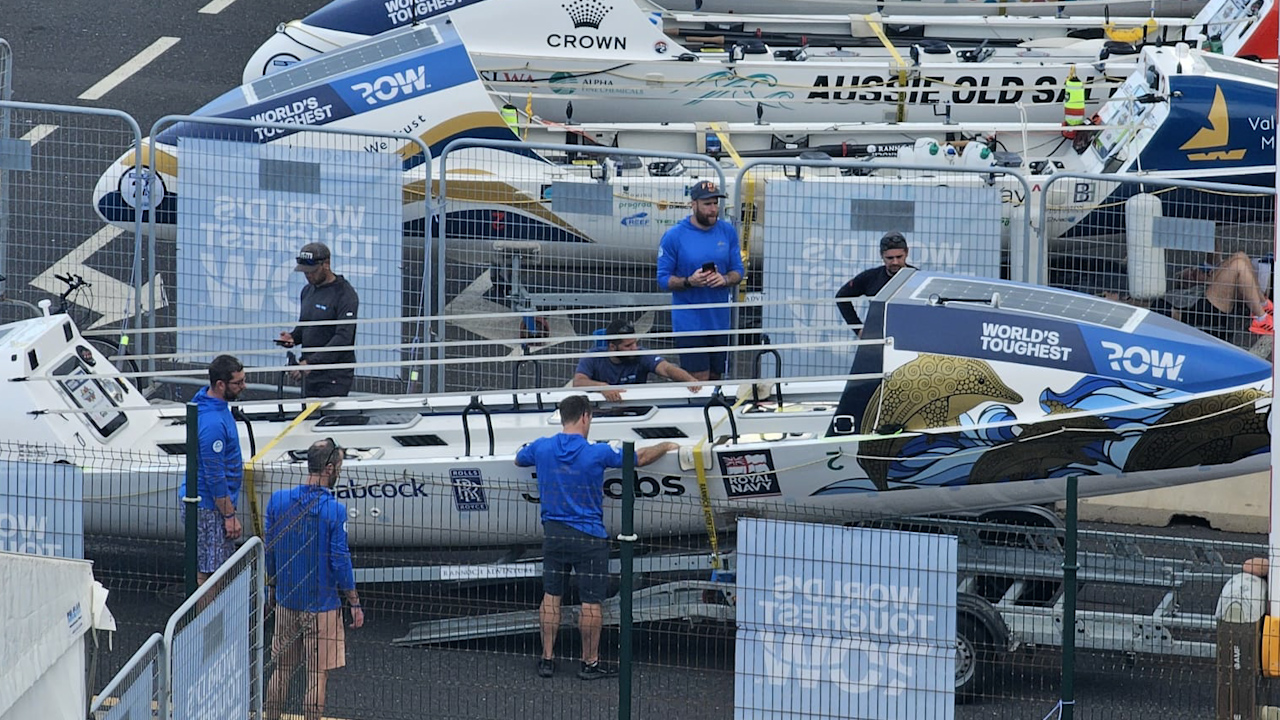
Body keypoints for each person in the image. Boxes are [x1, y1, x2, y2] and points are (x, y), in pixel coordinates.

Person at [514, 395, 678, 680]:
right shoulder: (598, 452)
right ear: (586, 417)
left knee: (551, 595)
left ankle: (547, 659)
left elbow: (519, 458)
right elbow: (638, 458)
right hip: (589, 537)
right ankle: (589, 663)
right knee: (590, 602)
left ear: (562, 417)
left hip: (554, 533)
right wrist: (667, 445)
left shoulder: (542, 447)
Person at [265, 438, 364, 720]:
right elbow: (339, 559)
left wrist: (272, 588)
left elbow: (270, 549)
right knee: (316, 675)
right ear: (330, 468)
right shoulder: (334, 510)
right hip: (322, 605)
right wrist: (353, 601)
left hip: (287, 600)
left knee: (281, 670)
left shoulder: (279, 501)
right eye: (340, 467)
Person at [656, 180, 745, 382]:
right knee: (699, 380)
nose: (713, 209)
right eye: (707, 204)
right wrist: (689, 281)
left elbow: (738, 271)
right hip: (690, 324)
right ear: (693, 204)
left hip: (720, 322)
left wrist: (724, 279)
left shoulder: (727, 231)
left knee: (716, 378)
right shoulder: (674, 236)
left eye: (715, 203)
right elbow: (662, 279)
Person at [278, 242, 360, 397]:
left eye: (312, 271)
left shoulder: (345, 294)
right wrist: (293, 337)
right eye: (305, 272)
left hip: (334, 375)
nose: (308, 276)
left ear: (326, 264)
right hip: (310, 372)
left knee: (324, 419)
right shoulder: (308, 291)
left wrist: (311, 363)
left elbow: (343, 338)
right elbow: (306, 325)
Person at [194, 354, 245, 586]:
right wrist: (229, 516)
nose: (243, 386)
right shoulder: (213, 423)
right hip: (210, 508)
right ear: (220, 384)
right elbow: (214, 475)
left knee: (215, 568)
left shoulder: (208, 400)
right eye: (238, 383)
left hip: (214, 504)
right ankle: (205, 621)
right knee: (210, 572)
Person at [572, 318, 703, 401]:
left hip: (637, 408)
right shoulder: (593, 357)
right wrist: (603, 387)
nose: (635, 348)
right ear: (612, 347)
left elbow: (666, 368)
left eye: (635, 342)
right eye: (628, 345)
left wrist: (690, 380)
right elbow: (578, 382)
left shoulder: (641, 354)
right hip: (602, 413)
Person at [1154, 251, 1273, 339]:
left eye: (1190, 271)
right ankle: (1261, 319)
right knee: (1238, 266)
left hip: (1206, 300)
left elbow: (1214, 250)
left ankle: (1264, 304)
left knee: (1240, 256)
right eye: (1186, 279)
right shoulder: (1173, 298)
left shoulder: (1210, 269)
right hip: (1204, 316)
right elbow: (1176, 316)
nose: (1192, 273)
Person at [835, 231, 916, 331]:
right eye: (889, 258)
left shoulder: (918, 277)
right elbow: (842, 297)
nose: (895, 262)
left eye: (899, 257)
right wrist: (858, 329)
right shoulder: (870, 277)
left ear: (906, 253)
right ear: (881, 255)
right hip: (878, 336)